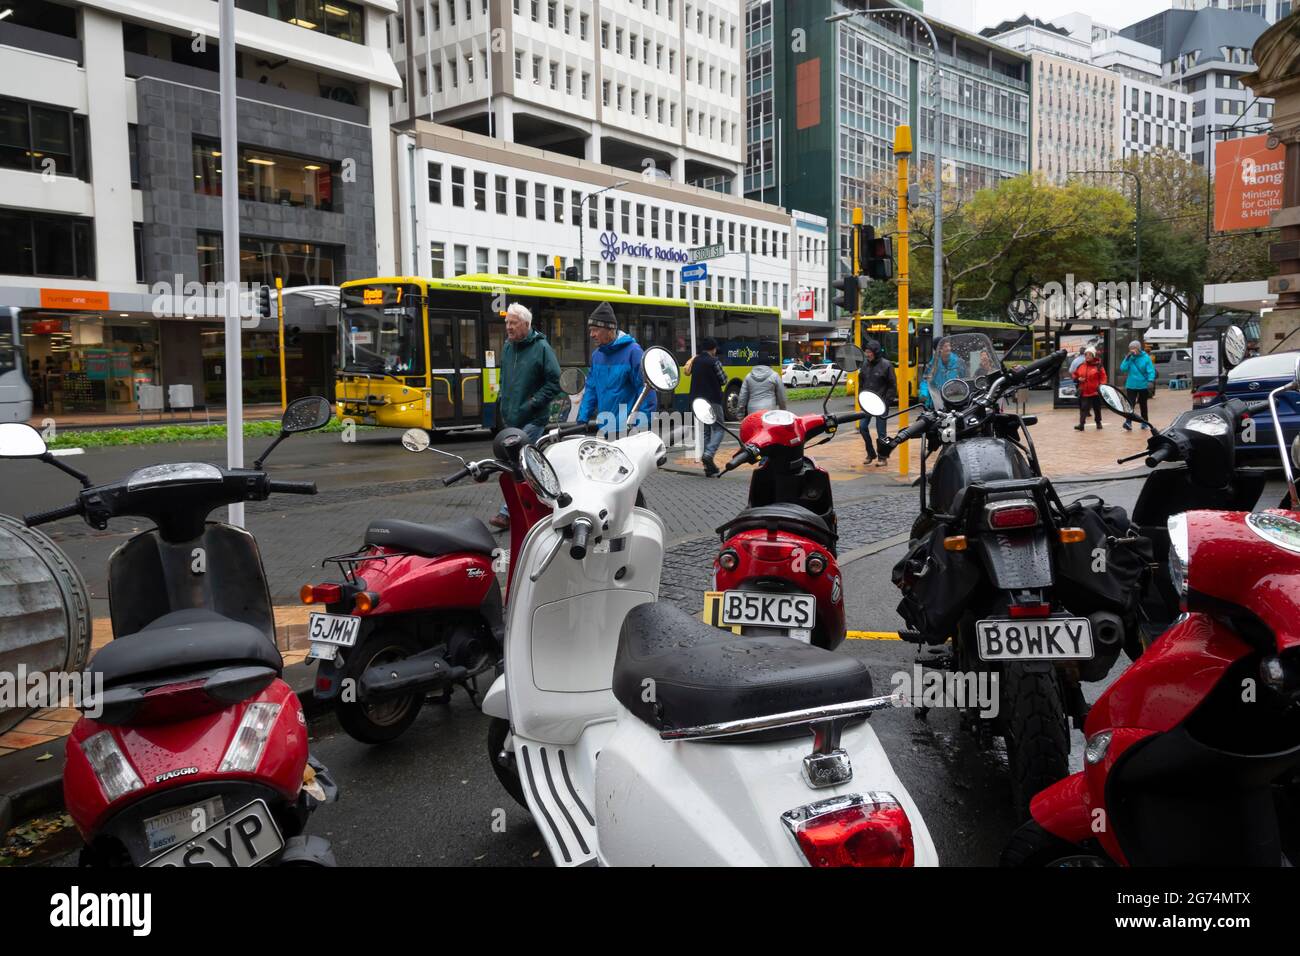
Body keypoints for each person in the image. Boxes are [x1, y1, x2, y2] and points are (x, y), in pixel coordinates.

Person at [490, 302, 561, 530]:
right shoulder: (508, 347)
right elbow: (505, 378)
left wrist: (533, 403)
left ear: (526, 324)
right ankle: (548, 501)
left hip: (533, 418)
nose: (508, 327)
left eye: (513, 323)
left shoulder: (541, 348)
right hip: (511, 418)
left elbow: (554, 382)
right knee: (527, 464)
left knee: (518, 464)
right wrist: (502, 400)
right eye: (507, 323)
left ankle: (507, 512)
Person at [577, 302, 654, 434]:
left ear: (610, 329)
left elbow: (646, 391)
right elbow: (591, 389)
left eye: (595, 329)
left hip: (628, 431)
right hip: (605, 428)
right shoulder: (597, 356)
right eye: (590, 330)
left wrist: (640, 427)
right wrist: (582, 420)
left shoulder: (633, 352)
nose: (592, 334)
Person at [686, 337, 728, 477]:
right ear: (713, 348)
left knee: (706, 431)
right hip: (713, 400)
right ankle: (709, 454)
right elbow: (723, 380)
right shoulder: (714, 361)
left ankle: (708, 467)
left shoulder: (696, 361)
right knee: (719, 428)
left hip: (698, 401)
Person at [855, 340, 896, 466]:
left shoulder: (887, 365)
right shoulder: (864, 365)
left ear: (876, 352)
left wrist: (886, 401)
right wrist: (861, 398)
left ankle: (882, 457)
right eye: (866, 352)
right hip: (867, 402)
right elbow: (861, 383)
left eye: (869, 352)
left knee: (881, 431)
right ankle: (870, 453)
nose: (867, 354)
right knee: (862, 427)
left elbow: (892, 385)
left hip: (881, 403)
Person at [1118, 340, 1156, 430]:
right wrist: (1126, 359)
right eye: (1130, 348)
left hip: (1143, 385)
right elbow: (1123, 368)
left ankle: (1144, 422)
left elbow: (1151, 371)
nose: (1132, 350)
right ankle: (1128, 422)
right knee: (1130, 405)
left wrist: (1150, 381)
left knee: (1143, 404)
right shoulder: (1130, 358)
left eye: (1133, 348)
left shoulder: (1146, 358)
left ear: (1138, 348)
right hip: (1131, 385)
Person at [918, 337, 962, 407]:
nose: (949, 348)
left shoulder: (958, 362)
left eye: (949, 345)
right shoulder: (932, 365)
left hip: (955, 399)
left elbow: (965, 378)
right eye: (946, 346)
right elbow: (926, 381)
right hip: (938, 401)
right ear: (939, 349)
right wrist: (924, 394)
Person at [1072, 347, 1107, 431]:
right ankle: (1081, 425)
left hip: (1095, 392)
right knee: (1083, 408)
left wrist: (1101, 386)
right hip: (1084, 391)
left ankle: (1098, 423)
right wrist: (1078, 379)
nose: (1087, 356)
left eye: (1089, 354)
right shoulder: (1081, 365)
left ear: (1093, 356)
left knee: (1097, 408)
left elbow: (1103, 377)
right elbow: (1074, 375)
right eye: (1086, 354)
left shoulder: (1098, 366)